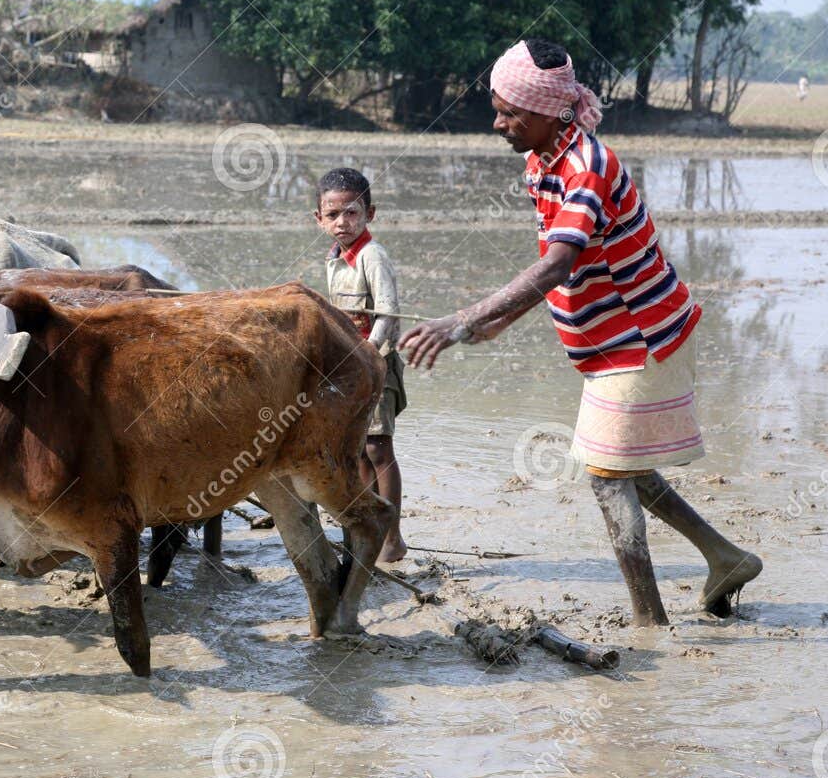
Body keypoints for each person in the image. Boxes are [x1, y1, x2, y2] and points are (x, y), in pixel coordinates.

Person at [399, 38, 762, 624]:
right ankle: (723, 556)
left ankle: (650, 619)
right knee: (624, 466)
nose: (498, 123)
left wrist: (462, 320)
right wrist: (500, 322)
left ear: (554, 111)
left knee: (605, 474)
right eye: (497, 108)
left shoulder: (587, 167)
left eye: (509, 112)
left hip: (641, 338)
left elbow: (558, 264)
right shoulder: (541, 161)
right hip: (609, 342)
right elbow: (554, 258)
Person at [315, 167, 408, 562]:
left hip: (376, 364)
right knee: (357, 451)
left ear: (370, 213)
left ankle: (392, 537)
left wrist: (367, 354)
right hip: (350, 368)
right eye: (333, 215)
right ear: (318, 220)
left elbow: (388, 315)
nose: (342, 222)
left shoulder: (372, 255)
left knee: (378, 448)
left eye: (351, 213)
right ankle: (368, 526)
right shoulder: (336, 258)